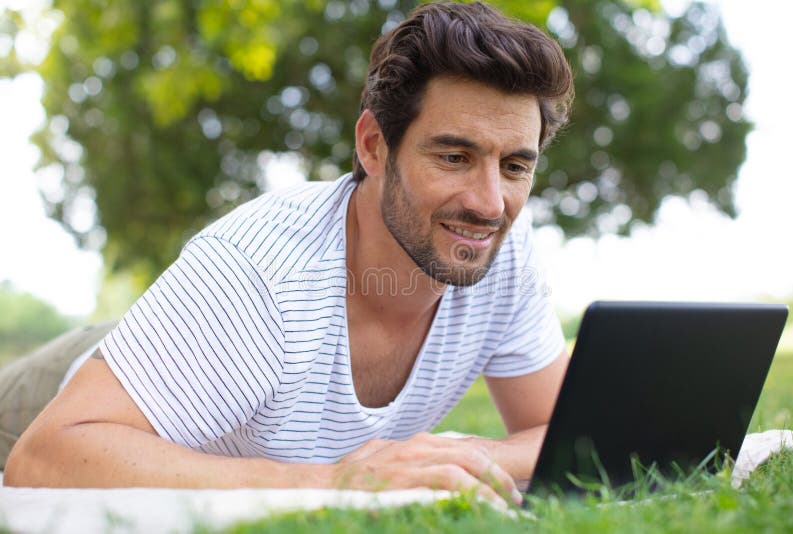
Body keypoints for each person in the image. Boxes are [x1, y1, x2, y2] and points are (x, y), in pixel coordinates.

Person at [4, 1, 573, 507]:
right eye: (453, 157)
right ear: (374, 146)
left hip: (190, 358)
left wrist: (461, 454)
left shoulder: (505, 253)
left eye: (515, 166)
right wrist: (342, 482)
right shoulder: (257, 272)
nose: (489, 203)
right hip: (60, 402)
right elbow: (45, 456)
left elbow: (563, 430)